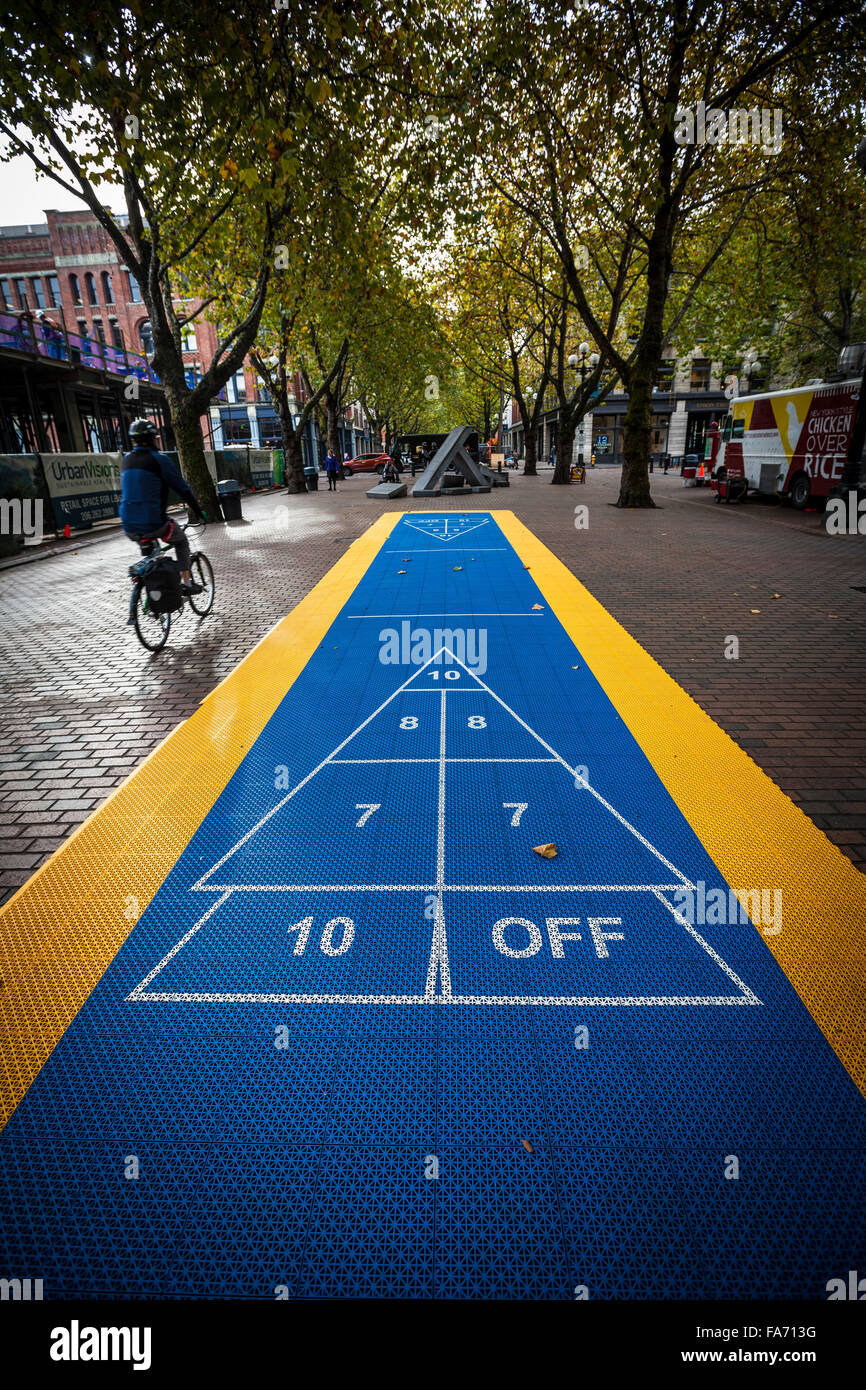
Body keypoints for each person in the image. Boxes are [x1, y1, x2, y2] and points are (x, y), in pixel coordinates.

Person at [119, 418, 205, 593]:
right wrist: (198, 511)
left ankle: (152, 584)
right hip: (154, 523)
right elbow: (183, 489)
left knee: (152, 553)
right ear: (153, 439)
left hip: (128, 525)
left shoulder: (126, 459)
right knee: (181, 541)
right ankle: (187, 584)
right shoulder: (160, 460)